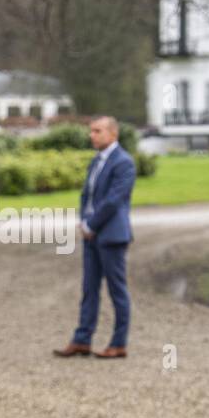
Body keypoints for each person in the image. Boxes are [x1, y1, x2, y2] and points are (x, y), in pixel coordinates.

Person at [54, 116, 137, 359]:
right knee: (89, 290)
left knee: (117, 291)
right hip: (91, 235)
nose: (92, 135)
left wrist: (90, 223)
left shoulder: (124, 162)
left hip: (111, 235)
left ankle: (119, 343)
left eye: (97, 131)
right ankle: (82, 340)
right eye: (91, 131)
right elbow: (87, 196)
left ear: (113, 134)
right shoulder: (96, 161)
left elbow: (113, 200)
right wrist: (84, 221)